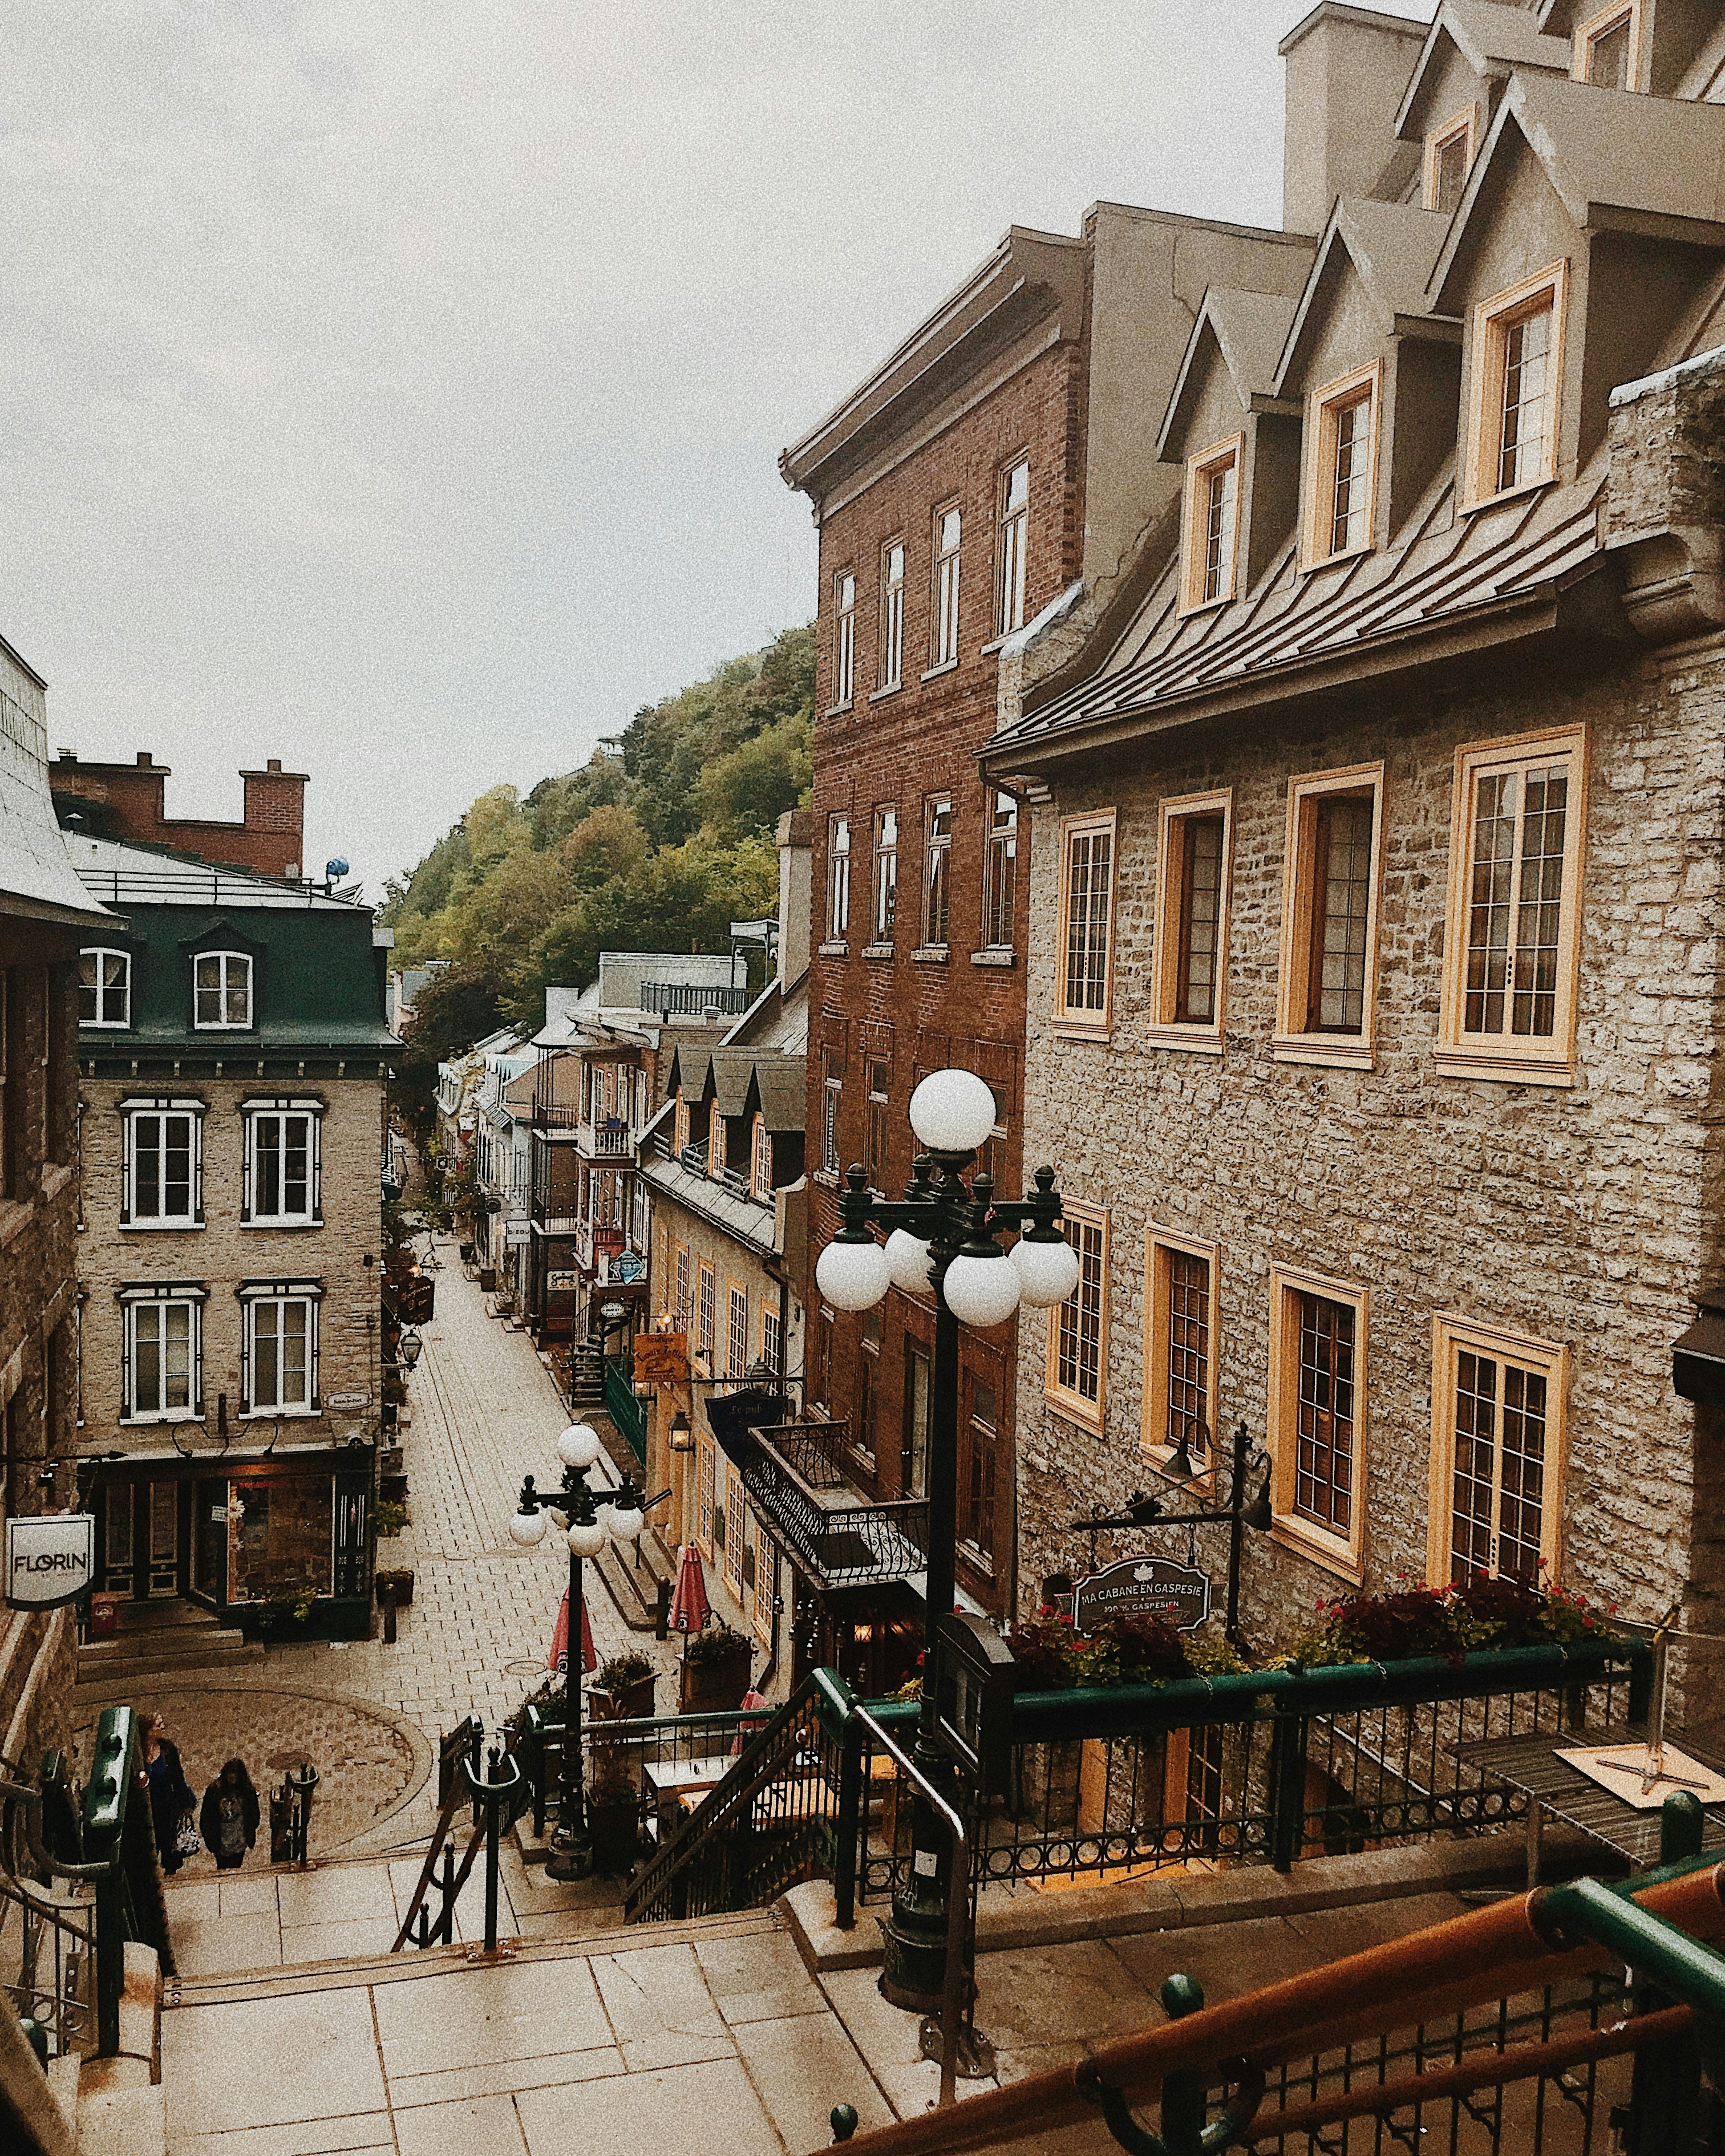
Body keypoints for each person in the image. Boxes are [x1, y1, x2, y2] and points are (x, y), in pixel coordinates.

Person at [139, 1712, 196, 1875]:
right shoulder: (138, 1753)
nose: (162, 1728)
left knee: (170, 1846)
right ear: (148, 1731)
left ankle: (171, 1876)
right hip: (147, 1806)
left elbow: (178, 1777)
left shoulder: (167, 1749)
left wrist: (185, 1804)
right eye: (158, 1725)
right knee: (147, 1848)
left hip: (167, 1805)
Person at [199, 1759, 261, 1871]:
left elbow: (254, 1815)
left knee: (236, 1869)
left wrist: (249, 1834)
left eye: (235, 1774)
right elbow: (206, 1818)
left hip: (239, 1843)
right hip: (221, 1843)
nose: (232, 1777)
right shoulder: (214, 1791)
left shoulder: (247, 1791)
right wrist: (211, 1842)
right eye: (230, 1773)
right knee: (223, 1869)